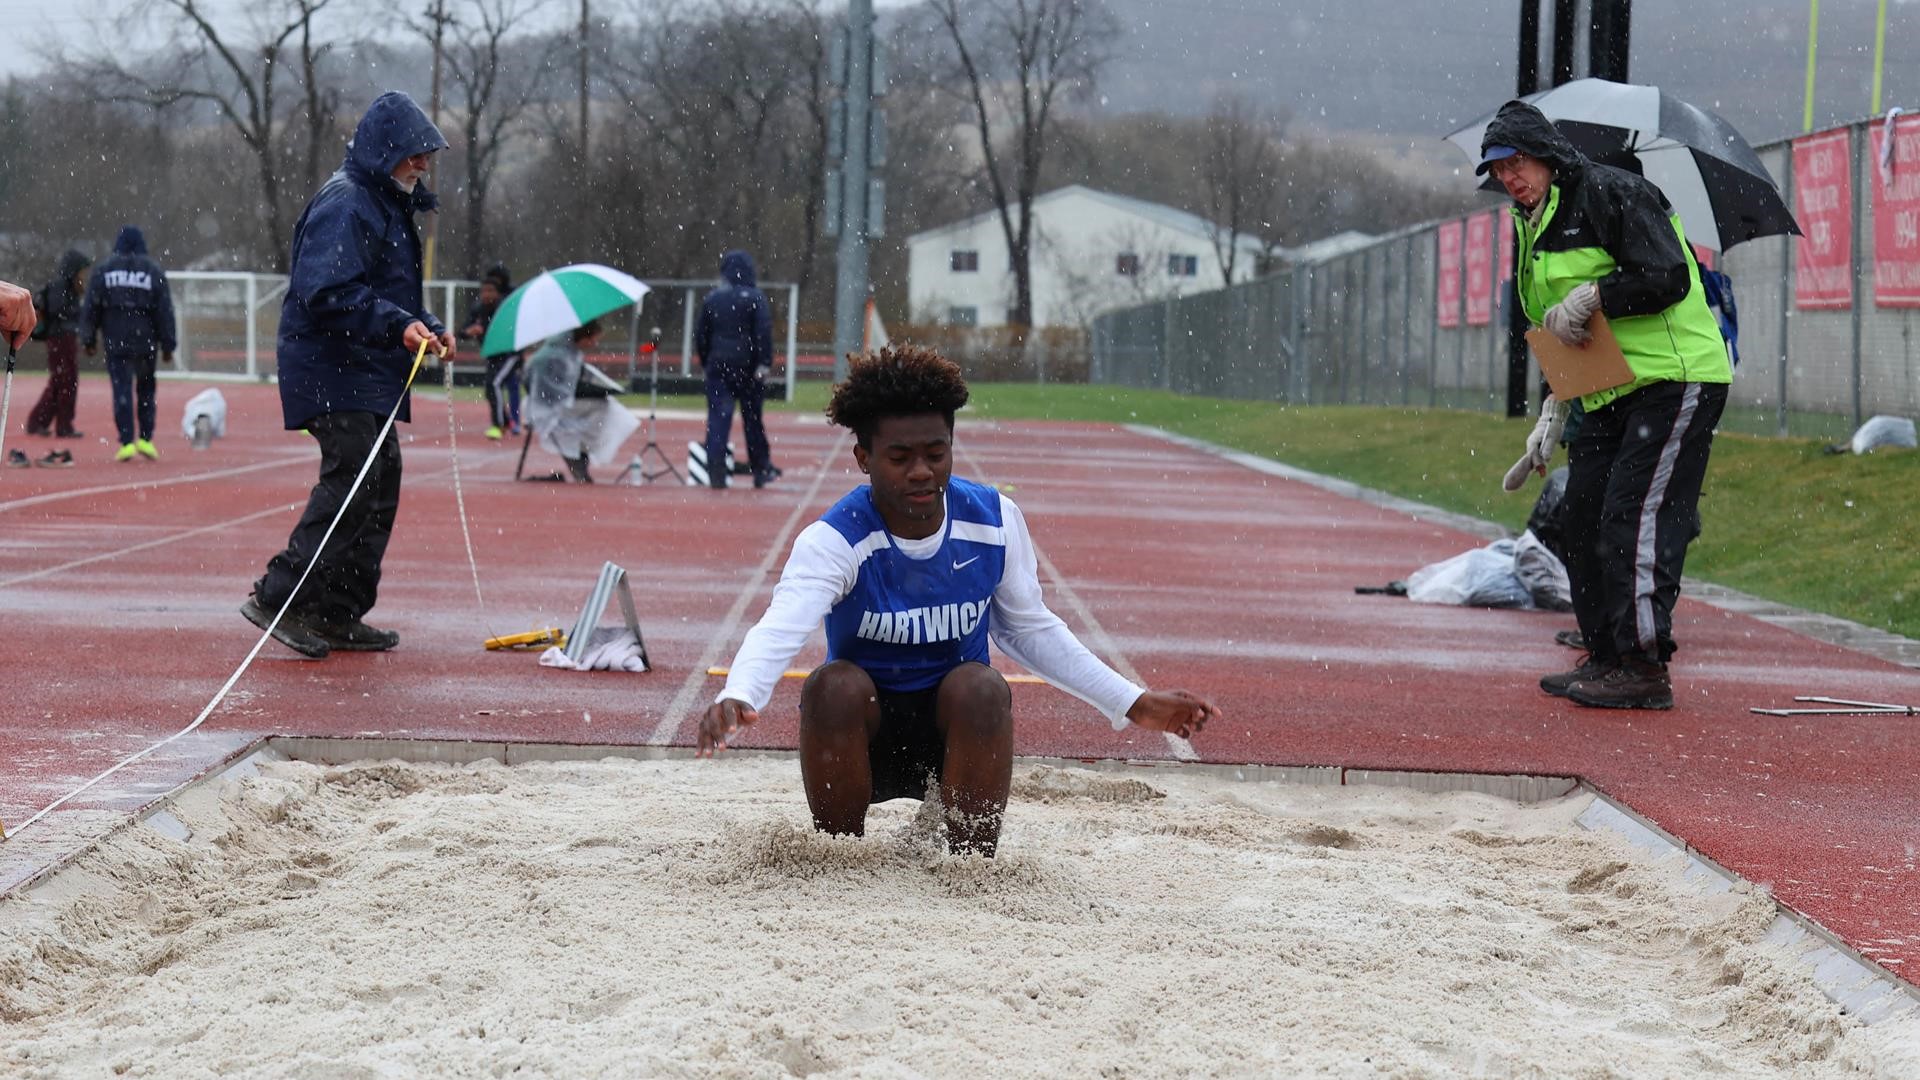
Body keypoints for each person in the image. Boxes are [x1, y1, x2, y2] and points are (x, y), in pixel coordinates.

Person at [698, 344, 1220, 856]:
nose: (921, 471)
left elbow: (1028, 628)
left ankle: (971, 867)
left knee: (981, 686)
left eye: (935, 452)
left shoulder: (993, 520)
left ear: (952, 444)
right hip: (864, 735)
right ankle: (839, 861)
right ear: (863, 457)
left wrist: (1134, 701)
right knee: (832, 686)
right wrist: (742, 690)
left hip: (958, 738)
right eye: (900, 457)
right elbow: (783, 622)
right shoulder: (836, 540)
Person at [1478, 100, 1731, 711]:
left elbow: (1668, 275)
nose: (1510, 178)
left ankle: (1644, 665)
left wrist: (1596, 295)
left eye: (1517, 163)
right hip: (1603, 388)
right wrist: (1552, 410)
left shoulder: (1613, 193)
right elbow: (1555, 326)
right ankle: (1607, 656)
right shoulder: (1528, 221)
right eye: (1498, 170)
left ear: (1545, 154)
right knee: (1579, 516)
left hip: (1674, 377)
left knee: (1631, 517)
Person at [242, 91, 453, 660]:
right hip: (331, 369)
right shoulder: (348, 202)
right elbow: (327, 292)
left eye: (428, 154)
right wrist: (398, 325)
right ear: (387, 150)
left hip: (365, 370)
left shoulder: (383, 202)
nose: (424, 164)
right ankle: (278, 598)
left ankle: (337, 611)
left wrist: (425, 325)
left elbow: (385, 294)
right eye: (416, 153)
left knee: (378, 486)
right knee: (353, 483)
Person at [77, 226, 176, 461]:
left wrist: (88, 339)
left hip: (116, 341)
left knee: (121, 390)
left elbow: (91, 308)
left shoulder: (104, 270)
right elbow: (164, 311)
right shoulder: (152, 271)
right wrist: (168, 344)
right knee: (146, 391)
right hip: (146, 343)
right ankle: (145, 438)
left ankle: (126, 441)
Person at [694, 249, 776, 488]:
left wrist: (707, 359)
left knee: (718, 420)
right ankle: (760, 468)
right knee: (752, 421)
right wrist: (764, 362)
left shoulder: (712, 299)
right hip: (748, 368)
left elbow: (701, 335)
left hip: (719, 366)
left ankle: (716, 470)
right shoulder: (755, 298)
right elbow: (763, 332)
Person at [524, 318, 638, 483]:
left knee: (609, 407)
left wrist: (604, 390)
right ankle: (579, 449)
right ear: (583, 337)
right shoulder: (558, 356)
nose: (594, 343)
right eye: (593, 339)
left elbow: (573, 386)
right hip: (543, 407)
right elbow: (569, 389)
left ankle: (580, 449)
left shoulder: (568, 352)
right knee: (604, 406)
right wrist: (602, 391)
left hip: (556, 402)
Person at [23, 250, 92, 440]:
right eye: (82, 272)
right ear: (73, 271)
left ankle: (39, 422)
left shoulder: (66, 288)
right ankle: (61, 425)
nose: (84, 276)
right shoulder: (61, 287)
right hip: (61, 339)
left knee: (61, 381)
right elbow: (58, 312)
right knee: (65, 381)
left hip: (62, 339)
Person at [460, 263, 522, 439]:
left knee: (504, 385)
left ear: (498, 292)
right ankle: (508, 420)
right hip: (493, 355)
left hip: (511, 355)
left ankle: (502, 424)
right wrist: (469, 331)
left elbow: (512, 329)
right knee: (490, 388)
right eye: (484, 291)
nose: (486, 295)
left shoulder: (505, 307)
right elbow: (462, 331)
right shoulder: (478, 309)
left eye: (490, 291)